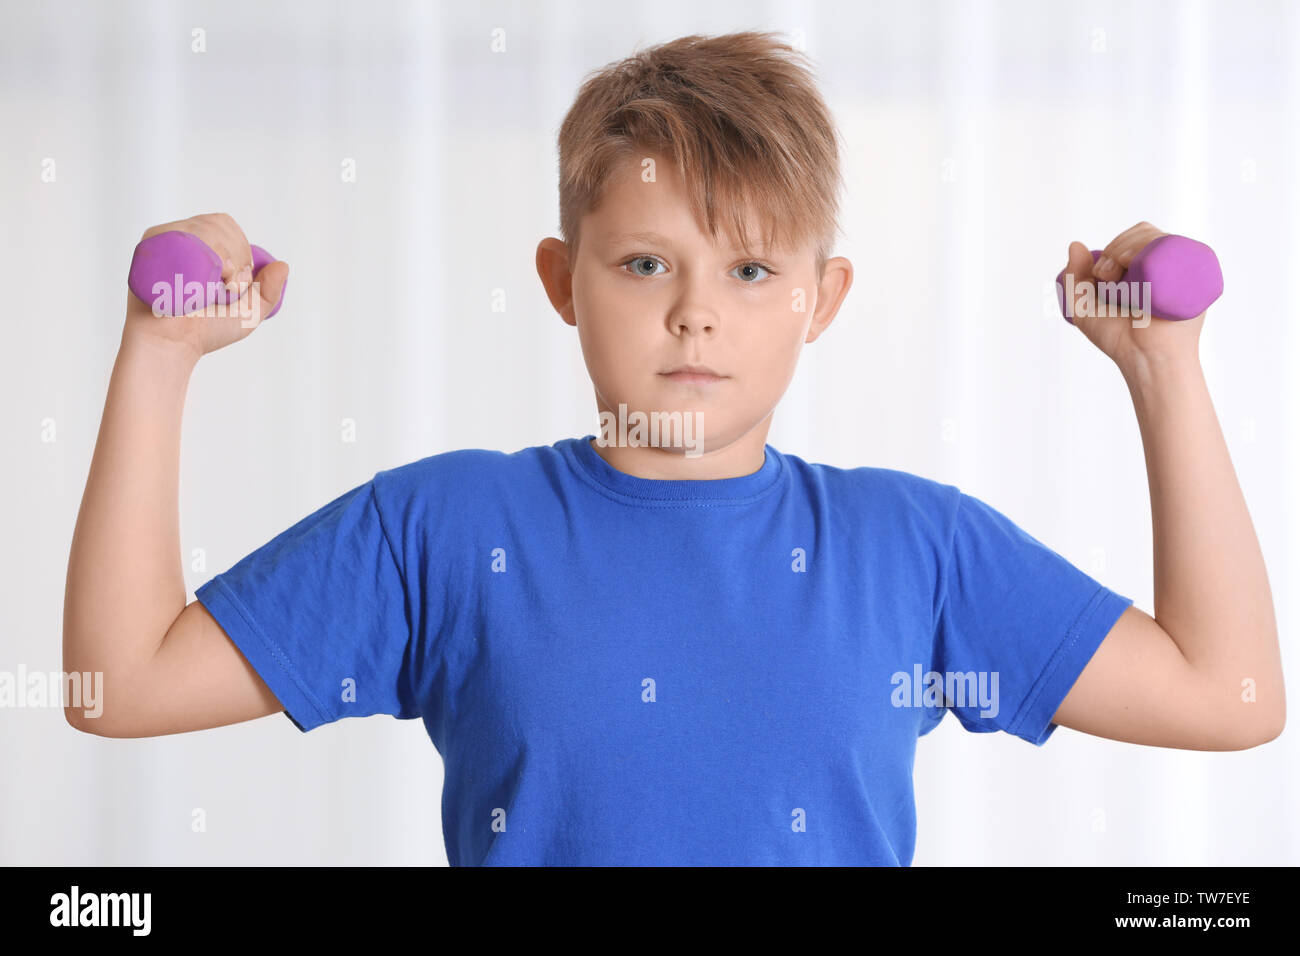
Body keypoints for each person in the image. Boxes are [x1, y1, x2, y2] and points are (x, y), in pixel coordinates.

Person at [63, 30, 1284, 866]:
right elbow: (116, 687)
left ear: (823, 295)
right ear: (560, 280)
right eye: (645, 262)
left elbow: (1228, 697)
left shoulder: (912, 547)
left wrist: (1162, 370)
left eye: (752, 269)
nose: (696, 310)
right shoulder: (445, 530)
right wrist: (158, 357)